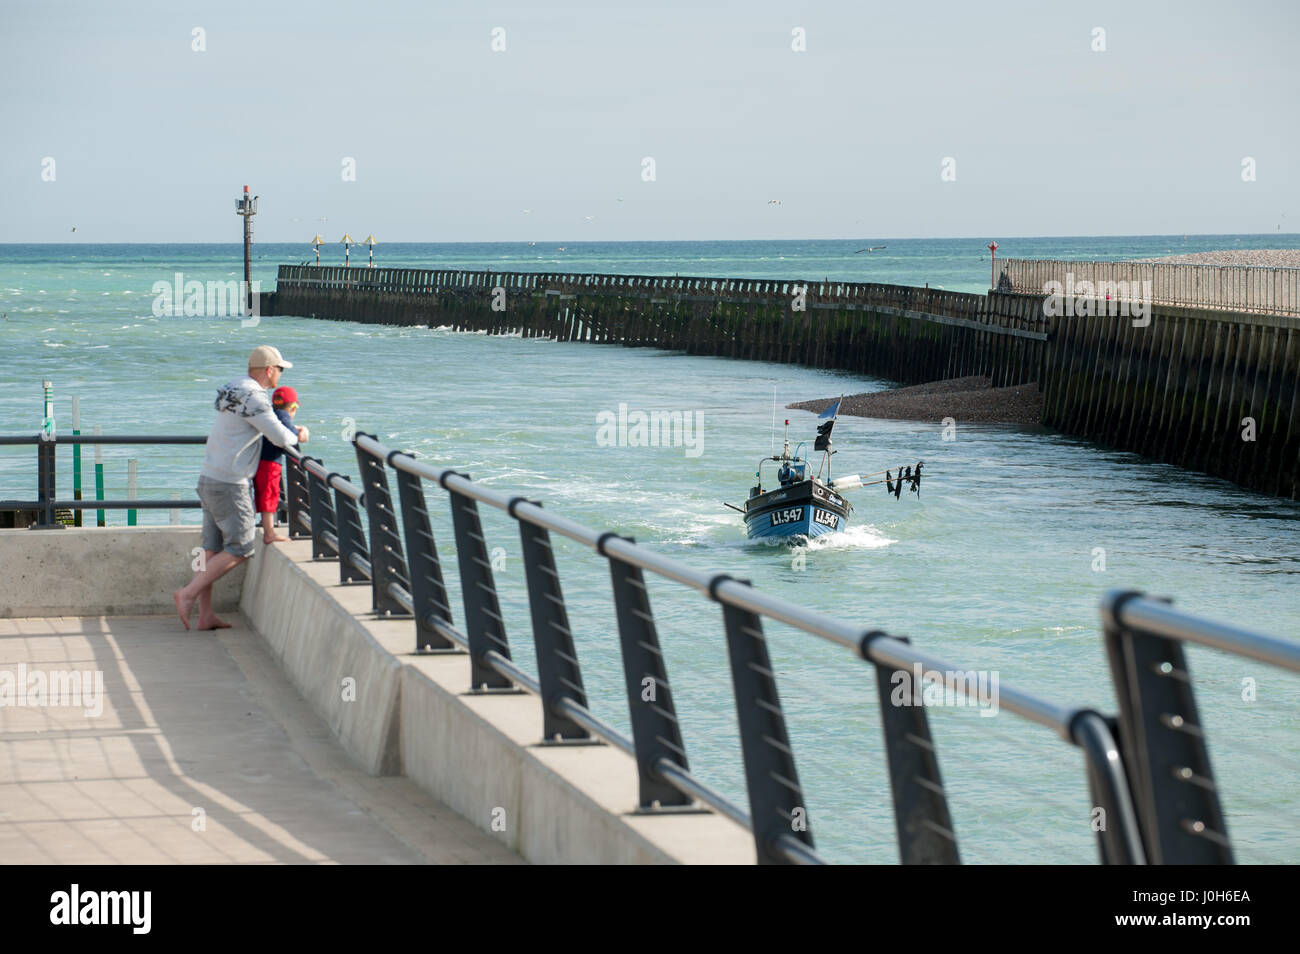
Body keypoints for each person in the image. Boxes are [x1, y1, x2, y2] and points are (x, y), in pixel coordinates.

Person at [174, 345, 308, 630]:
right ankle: (187, 594)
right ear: (269, 370)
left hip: (209, 476)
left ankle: (205, 615)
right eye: (280, 370)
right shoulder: (255, 398)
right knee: (241, 548)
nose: (280, 377)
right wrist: (300, 433)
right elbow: (281, 436)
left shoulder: (233, 389)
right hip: (230, 483)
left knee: (211, 548)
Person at [254, 385, 299, 545]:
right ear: (293, 407)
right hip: (270, 463)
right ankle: (269, 533)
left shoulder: (272, 414)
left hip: (259, 461)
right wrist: (300, 433)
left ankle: (267, 527)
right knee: (270, 494)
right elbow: (288, 433)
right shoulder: (283, 415)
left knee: (263, 494)